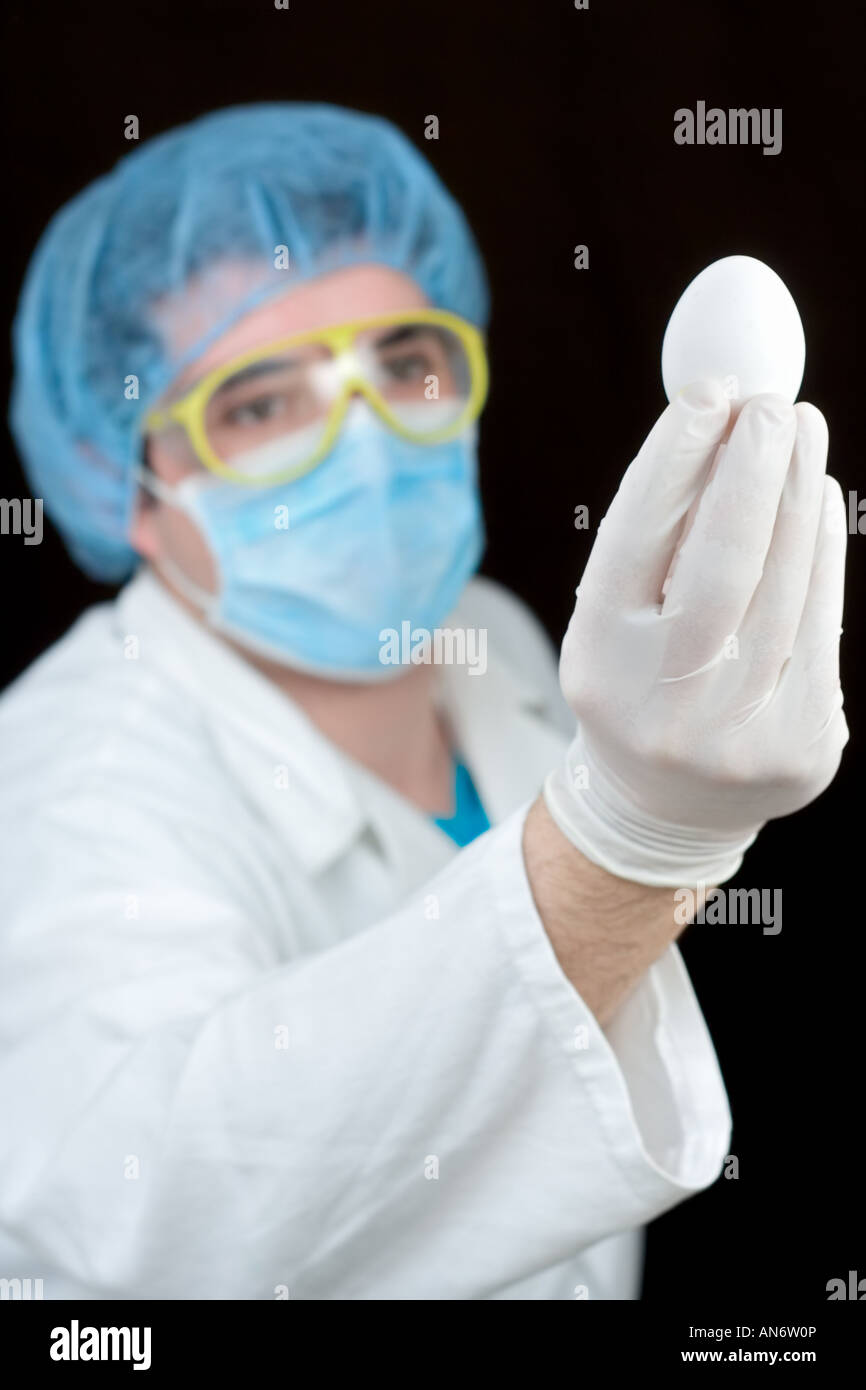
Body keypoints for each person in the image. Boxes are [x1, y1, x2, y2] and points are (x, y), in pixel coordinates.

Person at [0, 104, 847, 1301]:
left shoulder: (486, 637)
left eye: (403, 363)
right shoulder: (62, 788)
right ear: (128, 487)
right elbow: (152, 1229)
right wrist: (626, 842)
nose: (365, 440)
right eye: (258, 404)